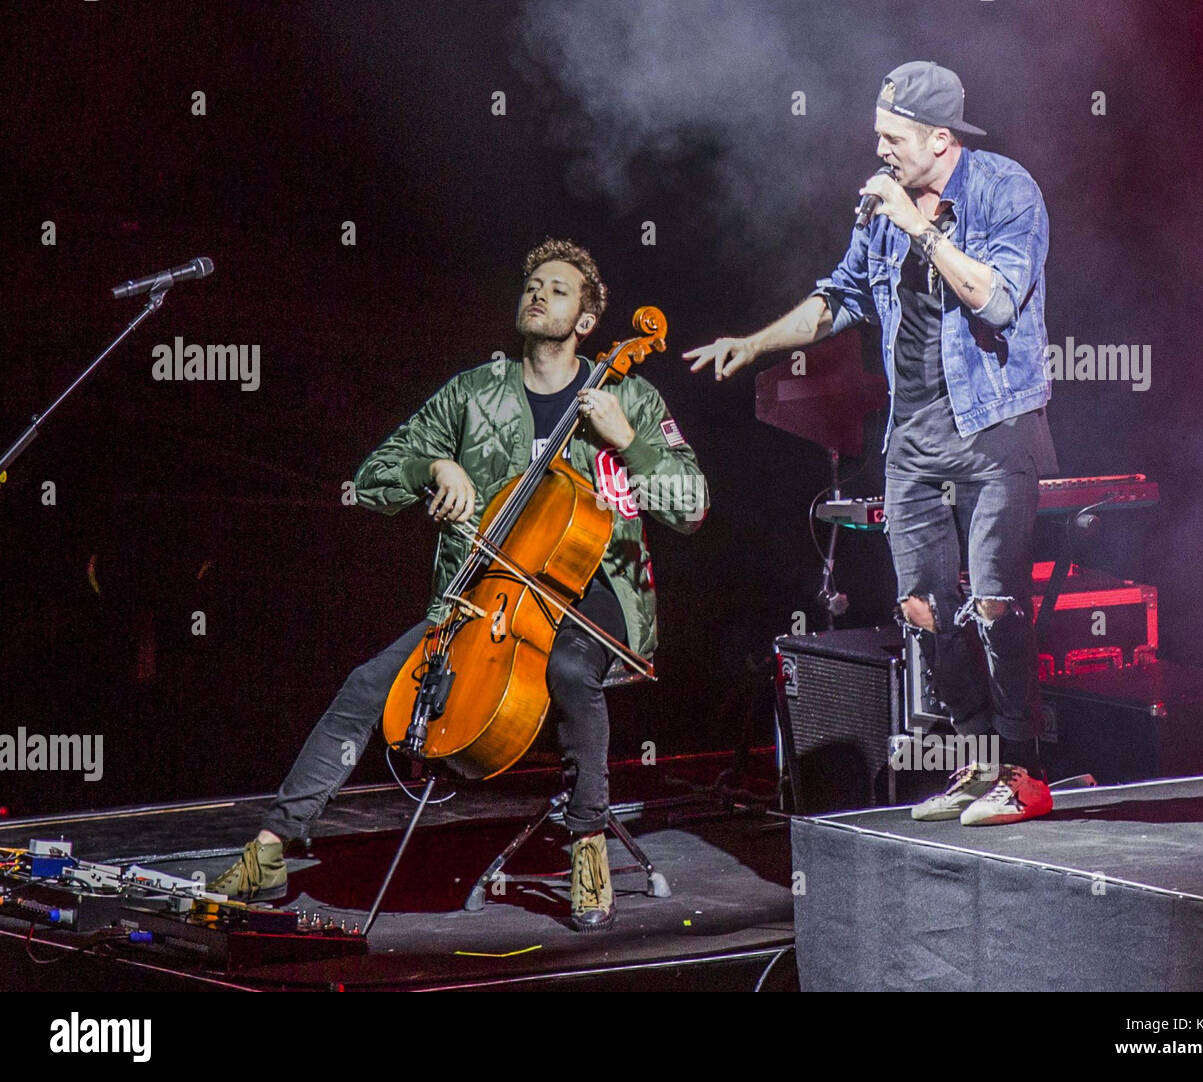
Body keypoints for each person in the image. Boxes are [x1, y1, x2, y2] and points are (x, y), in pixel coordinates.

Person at [213, 239, 708, 930]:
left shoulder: (628, 392)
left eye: (558, 289)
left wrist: (631, 438)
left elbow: (690, 506)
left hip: (598, 596)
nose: (538, 293)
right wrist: (434, 468)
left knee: (568, 667)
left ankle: (588, 841)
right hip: (487, 599)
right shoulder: (474, 393)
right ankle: (269, 849)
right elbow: (374, 476)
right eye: (532, 283)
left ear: (588, 320)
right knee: (368, 684)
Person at [685, 61, 1054, 826]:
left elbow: (997, 298)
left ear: (940, 140)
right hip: (914, 435)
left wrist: (919, 225)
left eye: (894, 137)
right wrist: (754, 343)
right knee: (923, 606)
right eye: (878, 134)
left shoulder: (1005, 191)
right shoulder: (881, 213)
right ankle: (977, 763)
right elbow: (842, 296)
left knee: (994, 602)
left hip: (994, 423)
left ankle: (1024, 772)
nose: (879, 149)